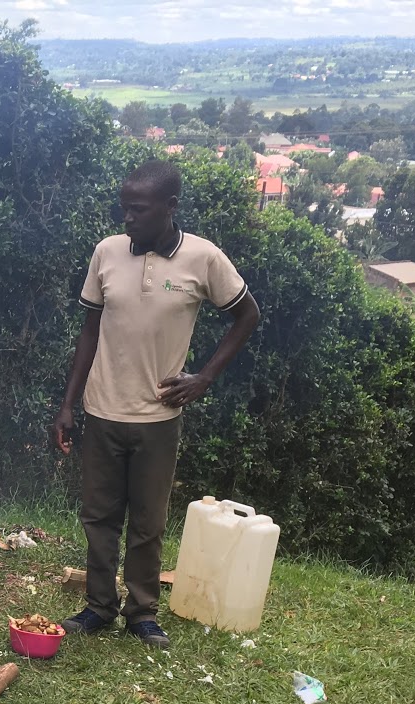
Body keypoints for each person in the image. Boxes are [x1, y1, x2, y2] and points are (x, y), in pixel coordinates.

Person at [54, 161, 261, 650]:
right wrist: (68, 404)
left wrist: (204, 377)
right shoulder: (106, 252)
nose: (128, 217)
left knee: (147, 523)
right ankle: (99, 608)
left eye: (139, 209)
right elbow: (88, 333)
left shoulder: (203, 258)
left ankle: (142, 613)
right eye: (125, 207)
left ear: (170, 207)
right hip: (103, 409)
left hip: (158, 417)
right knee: (99, 518)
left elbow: (247, 316)